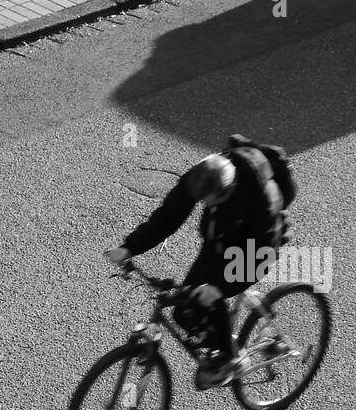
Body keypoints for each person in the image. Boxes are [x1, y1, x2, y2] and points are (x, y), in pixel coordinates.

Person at [104, 135, 296, 389]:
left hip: (254, 248)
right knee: (185, 311)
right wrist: (130, 247)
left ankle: (233, 359)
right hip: (219, 241)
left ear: (228, 189)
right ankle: (221, 343)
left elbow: (262, 253)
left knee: (210, 294)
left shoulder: (262, 198)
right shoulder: (201, 176)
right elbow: (169, 215)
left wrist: (221, 288)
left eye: (210, 201)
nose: (204, 204)